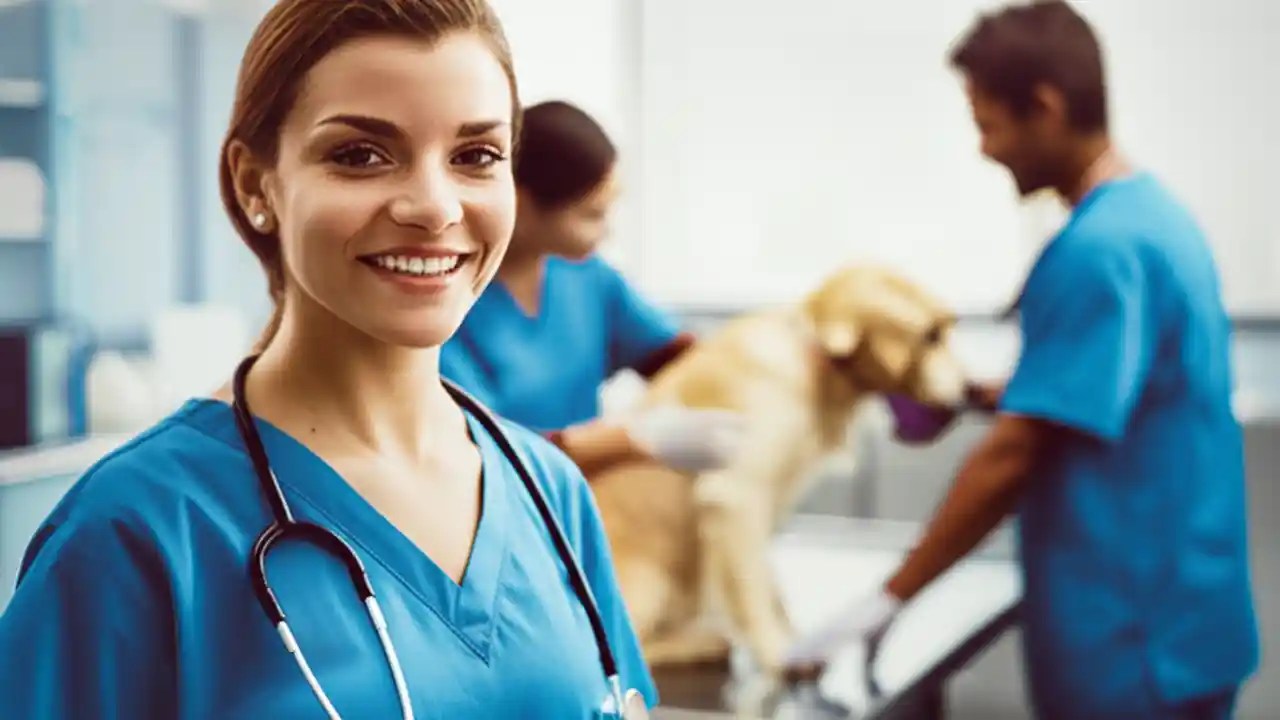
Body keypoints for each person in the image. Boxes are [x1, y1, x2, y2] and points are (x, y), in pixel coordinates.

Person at [0, 2, 657, 718]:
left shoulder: (550, 496)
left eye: (476, 157)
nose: (434, 207)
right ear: (257, 184)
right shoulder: (136, 532)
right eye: (360, 155)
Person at [785, 2, 1260, 718]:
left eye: (988, 125)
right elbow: (1114, 389)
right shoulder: (1154, 217)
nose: (984, 149)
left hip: (1130, 644)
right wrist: (969, 392)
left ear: (1045, 107)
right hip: (1185, 617)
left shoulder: (1098, 252)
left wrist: (889, 598)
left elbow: (1018, 450)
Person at [440, 100, 745, 478]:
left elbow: (677, 358)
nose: (608, 232)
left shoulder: (587, 277)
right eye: (592, 215)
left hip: (584, 507)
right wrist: (627, 440)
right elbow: (478, 453)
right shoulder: (447, 305)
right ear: (521, 202)